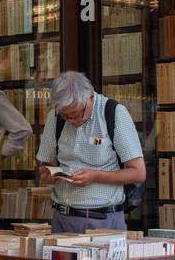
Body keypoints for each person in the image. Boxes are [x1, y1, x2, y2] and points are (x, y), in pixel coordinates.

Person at [37, 69, 146, 232]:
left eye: (75, 114)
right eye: (65, 116)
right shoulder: (55, 117)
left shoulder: (114, 113)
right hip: (61, 217)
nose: (71, 120)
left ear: (91, 96)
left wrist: (95, 176)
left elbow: (138, 173)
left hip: (103, 219)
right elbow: (47, 162)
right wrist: (47, 173)